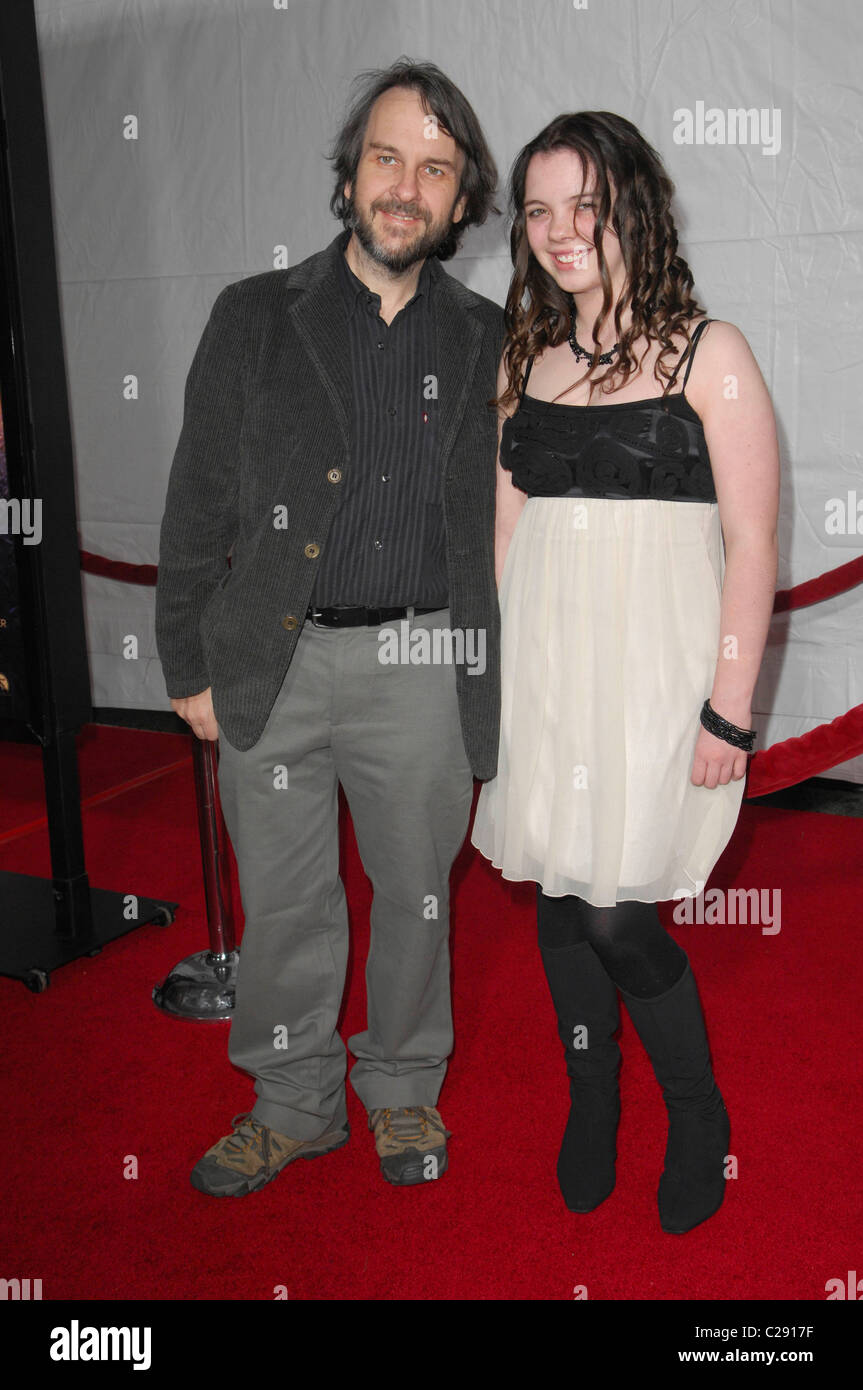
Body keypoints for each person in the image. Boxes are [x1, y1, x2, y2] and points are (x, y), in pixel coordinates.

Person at [155, 59, 504, 1194]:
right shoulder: (254, 315)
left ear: (461, 203)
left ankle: (401, 1090)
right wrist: (187, 659)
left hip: (420, 661)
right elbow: (195, 499)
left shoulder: (488, 339)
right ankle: (292, 1101)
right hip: (272, 662)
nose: (405, 186)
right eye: (387, 157)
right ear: (350, 173)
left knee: (413, 893)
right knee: (287, 907)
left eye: (435, 170)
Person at [471, 111, 779, 1233]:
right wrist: (486, 692)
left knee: (614, 917)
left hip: (657, 683)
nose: (559, 232)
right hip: (548, 675)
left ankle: (696, 1114)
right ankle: (591, 1097)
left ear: (632, 206)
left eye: (582, 205)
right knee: (559, 890)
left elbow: (751, 543)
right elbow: (502, 539)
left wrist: (727, 711)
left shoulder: (711, 351)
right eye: (537, 211)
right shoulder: (525, 356)